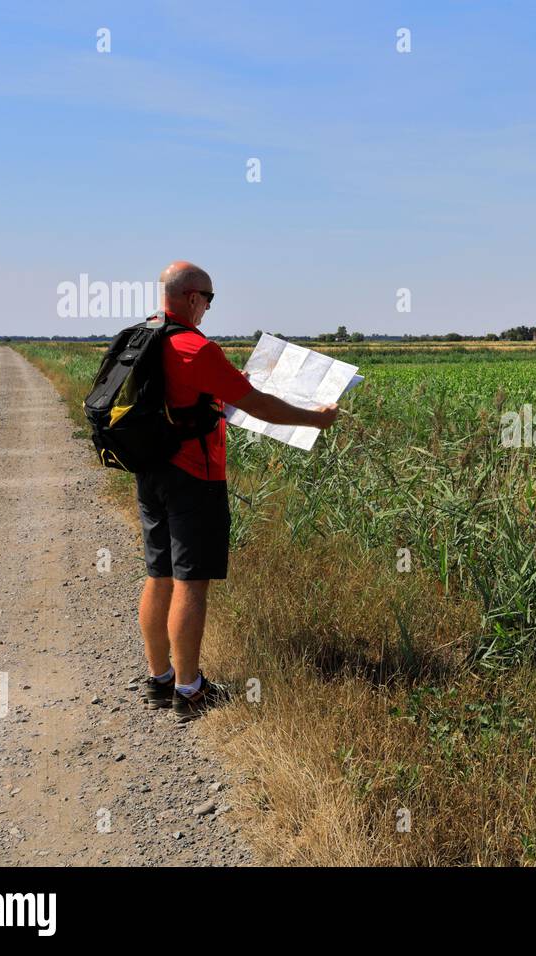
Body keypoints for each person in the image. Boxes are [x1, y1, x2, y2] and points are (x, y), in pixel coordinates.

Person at [137, 261, 339, 721]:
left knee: (159, 573)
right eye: (209, 298)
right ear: (191, 298)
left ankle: (159, 678)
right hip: (194, 476)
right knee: (192, 580)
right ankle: (190, 690)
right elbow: (257, 403)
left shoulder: (145, 337)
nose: (209, 307)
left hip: (150, 471)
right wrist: (316, 418)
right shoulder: (195, 348)